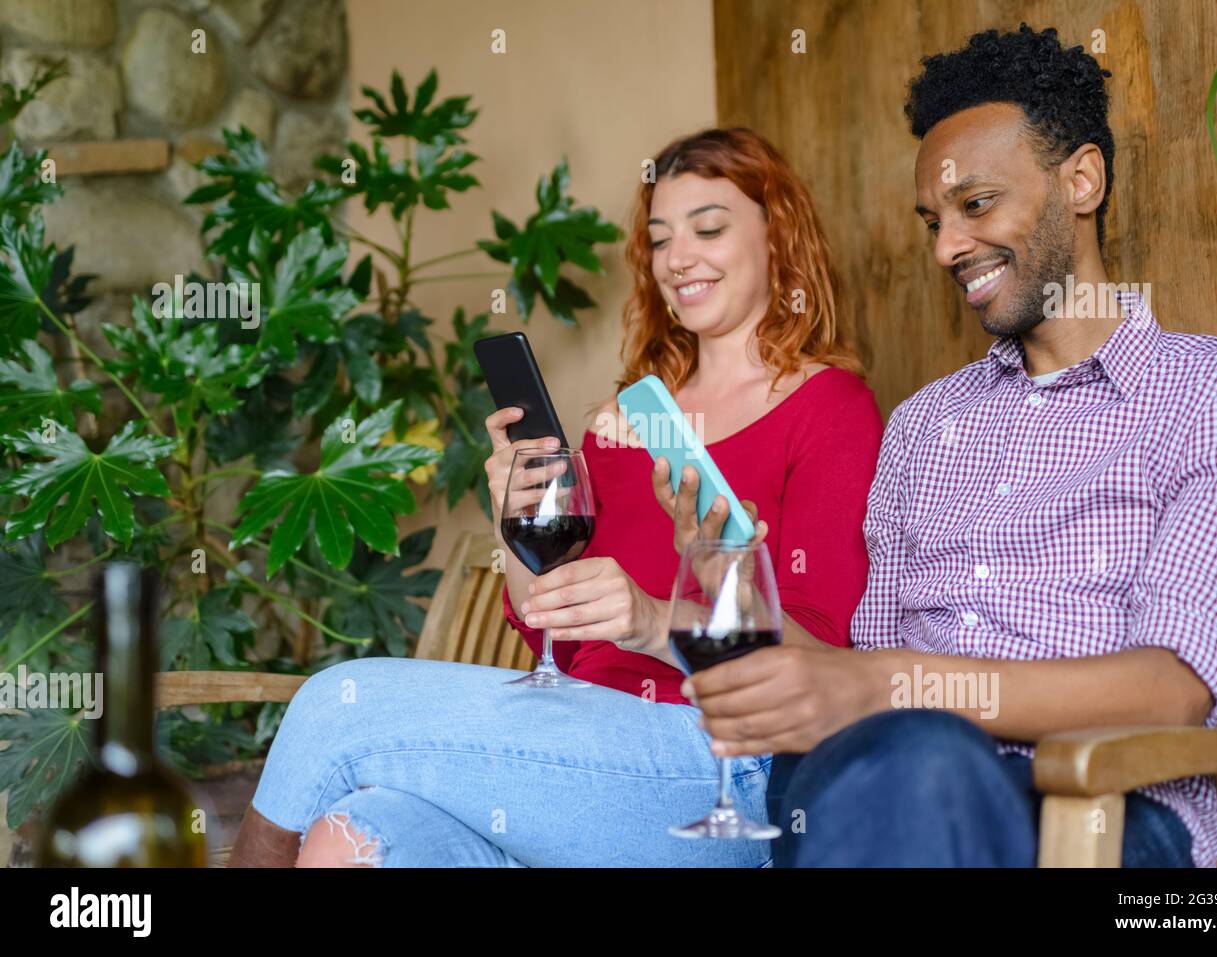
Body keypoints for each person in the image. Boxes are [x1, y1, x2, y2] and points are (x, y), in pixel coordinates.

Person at [681, 25, 1217, 868]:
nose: (946, 247)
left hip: (1093, 808)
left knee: (921, 763)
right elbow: (856, 669)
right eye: (934, 220)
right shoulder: (923, 425)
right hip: (887, 786)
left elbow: (1171, 686)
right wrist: (736, 594)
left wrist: (896, 688)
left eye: (976, 205)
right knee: (871, 770)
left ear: (1081, 180)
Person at [227, 127, 884, 867]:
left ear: (779, 238)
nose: (678, 258)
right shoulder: (626, 419)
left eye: (709, 228)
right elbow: (554, 630)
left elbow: (826, 653)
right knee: (352, 834)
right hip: (572, 758)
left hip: (712, 760)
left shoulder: (829, 408)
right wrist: (517, 524)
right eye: (661, 238)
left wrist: (657, 620)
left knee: (333, 704)